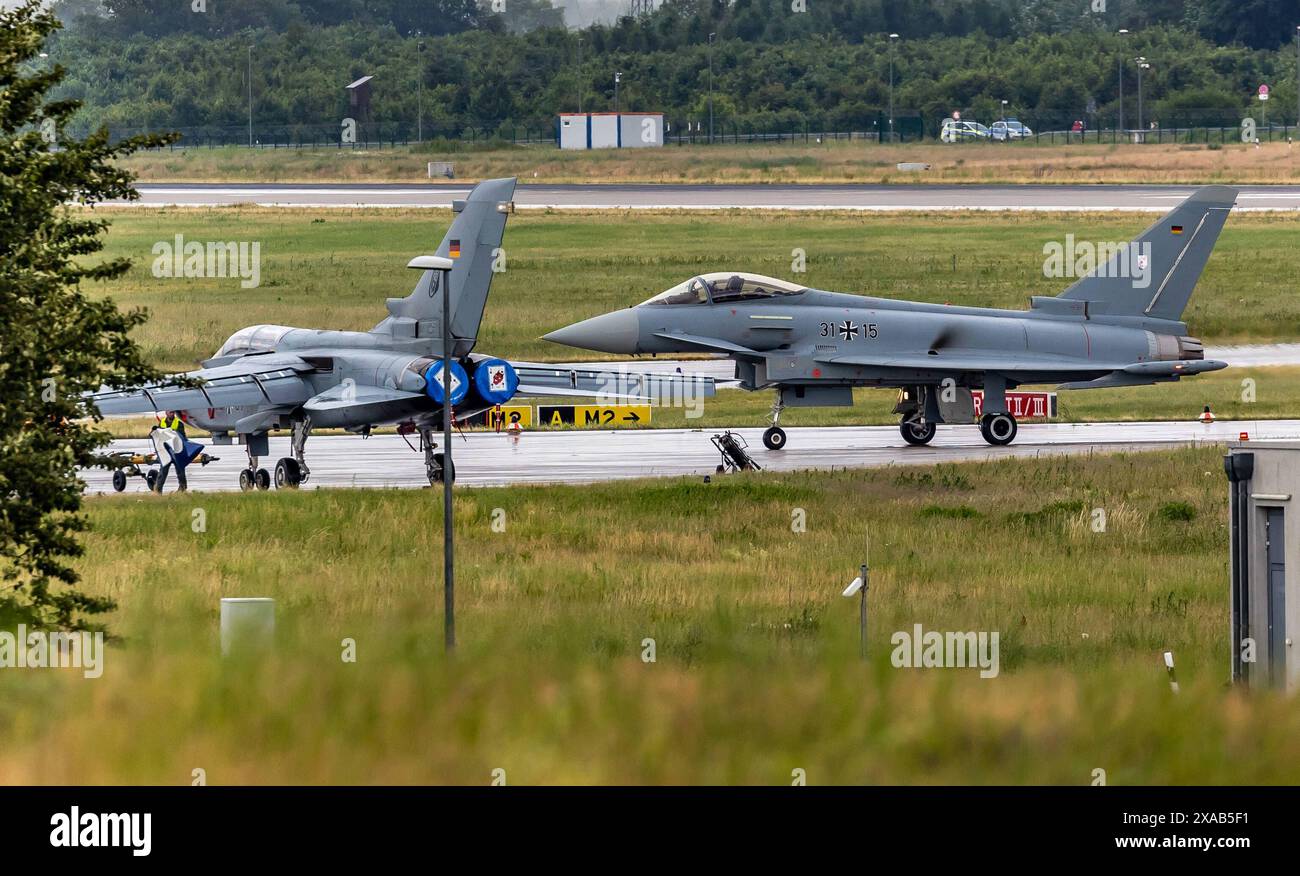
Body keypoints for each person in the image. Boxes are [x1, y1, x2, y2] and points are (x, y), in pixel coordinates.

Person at [151, 411, 189, 492]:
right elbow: (159, 435)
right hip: (166, 451)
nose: (172, 414)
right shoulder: (162, 422)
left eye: (172, 412)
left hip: (176, 450)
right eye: (170, 412)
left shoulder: (179, 423)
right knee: (163, 471)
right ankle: (158, 490)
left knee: (180, 471)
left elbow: (182, 436)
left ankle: (182, 488)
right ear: (166, 413)